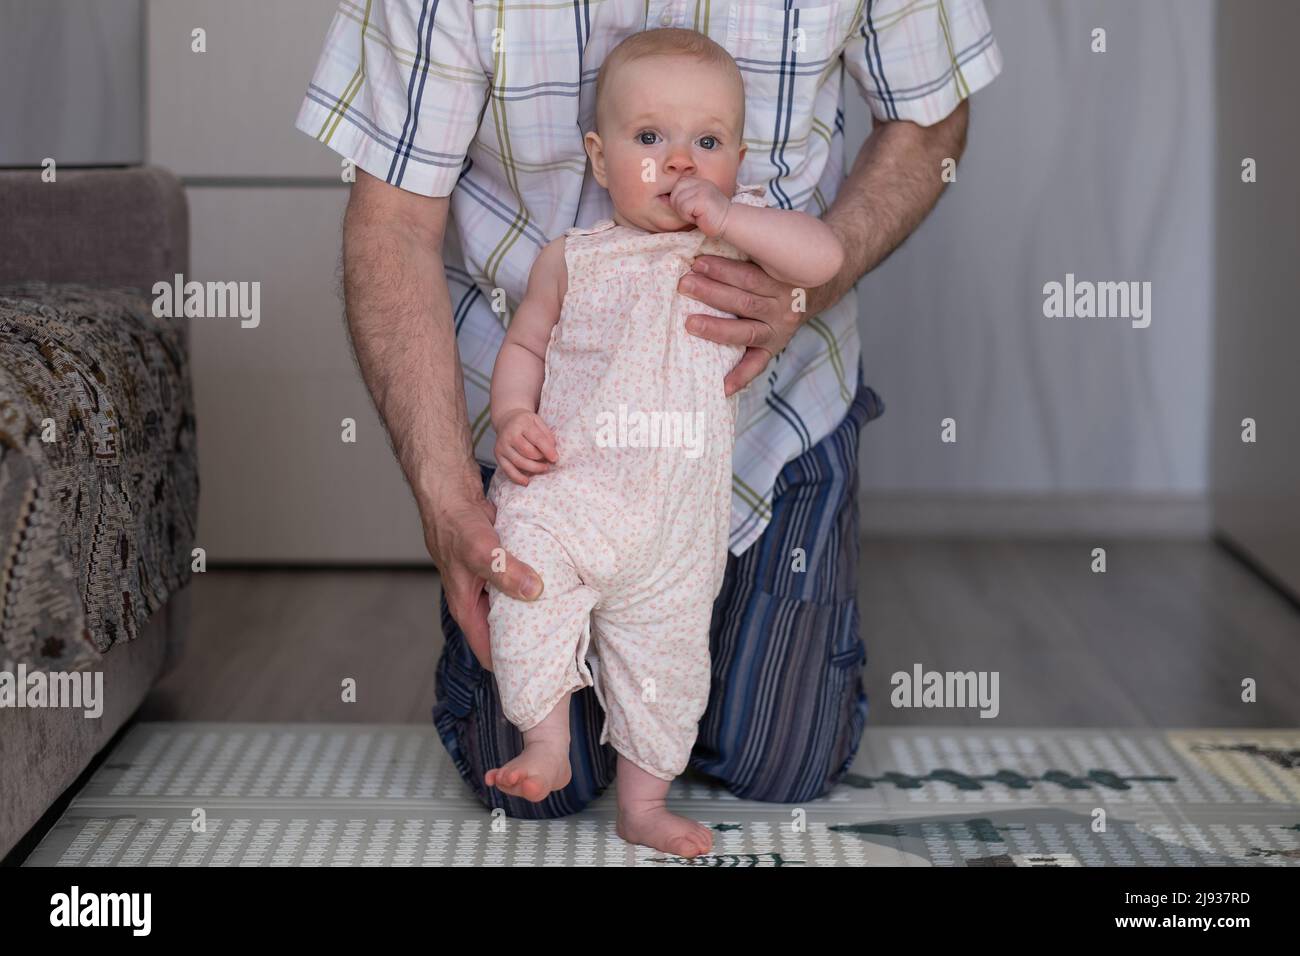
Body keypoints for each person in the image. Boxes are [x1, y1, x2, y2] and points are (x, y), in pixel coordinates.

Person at [295, 0, 1003, 822]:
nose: (679, 166)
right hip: (568, 483)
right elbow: (398, 229)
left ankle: (670, 751)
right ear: (598, 159)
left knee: (775, 757)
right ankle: (557, 733)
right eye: (649, 142)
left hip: (763, 436)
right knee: (533, 768)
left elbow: (906, 143)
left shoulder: (740, 232)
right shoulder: (573, 259)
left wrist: (784, 266)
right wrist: (462, 479)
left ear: (738, 155)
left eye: (707, 145)